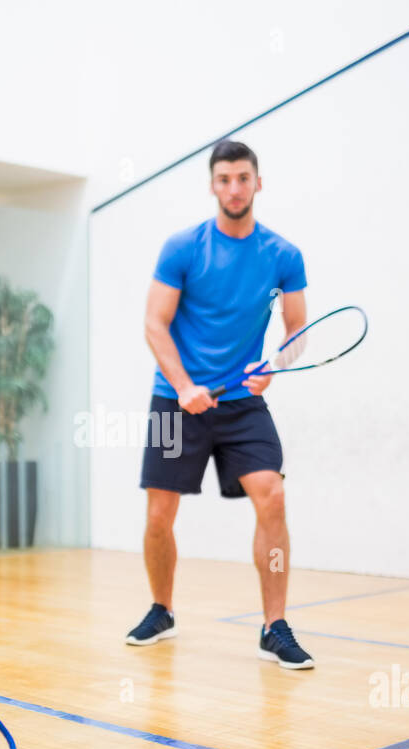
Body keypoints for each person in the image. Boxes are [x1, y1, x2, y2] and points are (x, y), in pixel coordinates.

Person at [129, 140, 314, 669]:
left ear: (259, 183)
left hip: (240, 404)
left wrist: (273, 365)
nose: (234, 188)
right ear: (213, 185)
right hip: (174, 401)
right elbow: (154, 324)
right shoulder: (183, 247)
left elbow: (298, 327)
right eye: (224, 178)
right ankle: (161, 610)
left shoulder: (283, 254)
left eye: (243, 178)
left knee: (272, 496)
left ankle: (274, 626)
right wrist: (184, 386)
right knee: (160, 514)